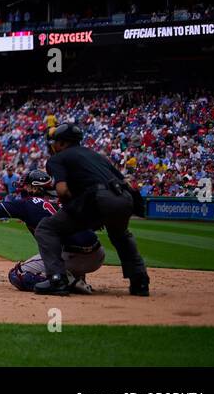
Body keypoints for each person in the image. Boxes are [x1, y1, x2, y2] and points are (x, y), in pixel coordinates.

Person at [33, 123, 150, 296]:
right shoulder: (97, 156)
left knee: (46, 228)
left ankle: (57, 280)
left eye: (55, 141)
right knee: (121, 235)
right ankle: (140, 281)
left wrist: (79, 210)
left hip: (98, 199)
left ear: (63, 143)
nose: (53, 145)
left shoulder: (57, 159)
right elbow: (124, 181)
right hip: (124, 199)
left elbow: (62, 190)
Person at [0, 169, 105, 294]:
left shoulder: (27, 203)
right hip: (98, 255)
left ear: (34, 188)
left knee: (17, 274)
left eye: (26, 185)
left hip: (72, 256)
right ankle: (77, 277)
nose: (23, 189)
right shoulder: (65, 199)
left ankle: (67, 281)